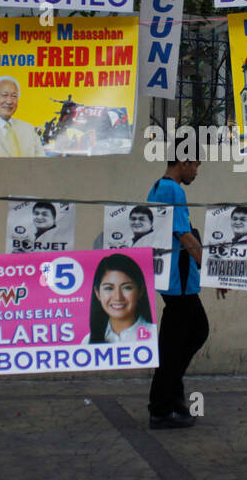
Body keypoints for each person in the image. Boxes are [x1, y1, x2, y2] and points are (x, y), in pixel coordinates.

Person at [145, 153, 226, 429]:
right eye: (195, 166)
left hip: (175, 279)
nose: (196, 172)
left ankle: (171, 398)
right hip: (177, 281)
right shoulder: (172, 189)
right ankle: (161, 406)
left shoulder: (158, 187)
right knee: (188, 335)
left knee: (182, 337)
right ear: (184, 163)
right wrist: (214, 271)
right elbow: (185, 235)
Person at [82, 253, 154, 344]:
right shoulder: (88, 340)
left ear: (140, 290)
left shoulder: (154, 333)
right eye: (109, 288)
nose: (118, 297)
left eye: (127, 287)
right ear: (97, 293)